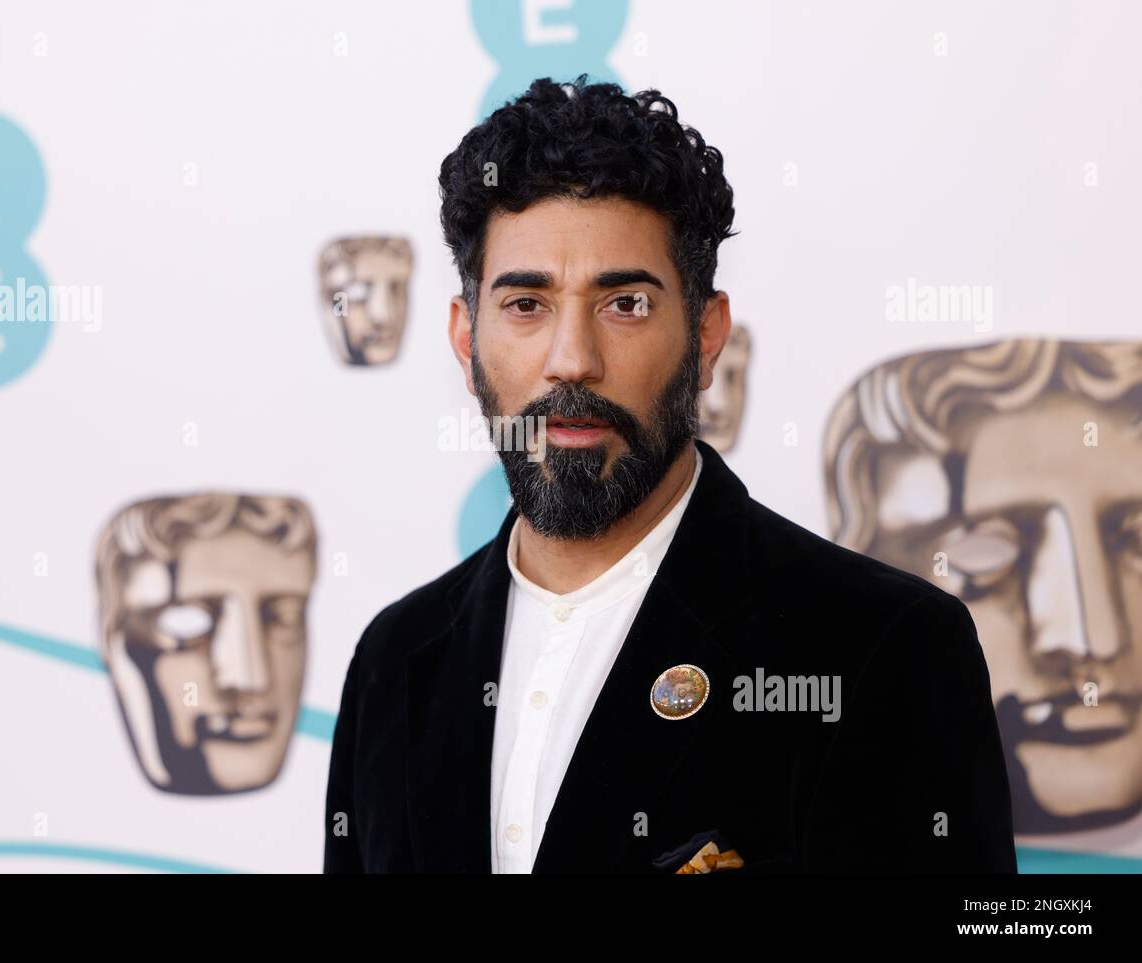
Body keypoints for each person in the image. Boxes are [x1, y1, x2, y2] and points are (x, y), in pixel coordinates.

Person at [323, 75, 1017, 873]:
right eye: (525, 305)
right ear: (464, 338)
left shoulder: (883, 651)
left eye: (626, 304)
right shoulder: (394, 659)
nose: (572, 360)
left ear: (708, 334)